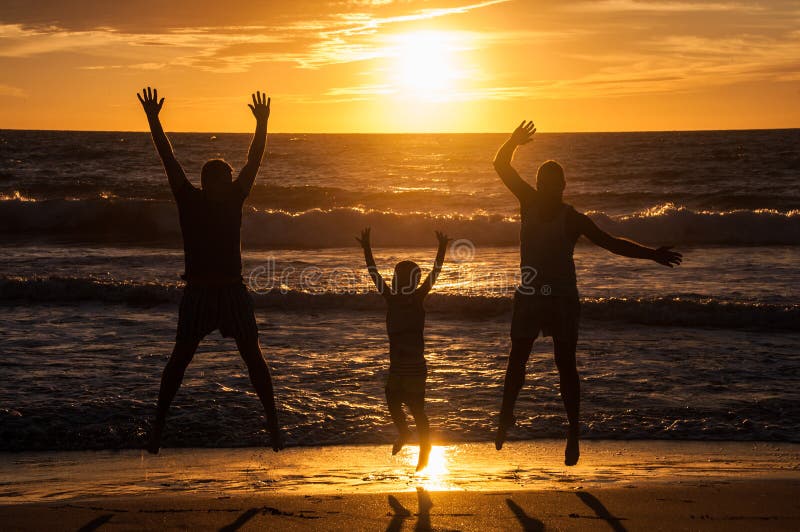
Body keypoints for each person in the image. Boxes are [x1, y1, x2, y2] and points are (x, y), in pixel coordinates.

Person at [493, 121, 682, 465]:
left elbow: (611, 243)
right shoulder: (529, 201)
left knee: (564, 365)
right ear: (539, 184)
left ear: (563, 186)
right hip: (531, 295)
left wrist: (652, 253)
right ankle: (506, 418)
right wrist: (512, 142)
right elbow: (500, 165)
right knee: (517, 360)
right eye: (543, 183)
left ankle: (573, 432)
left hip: (561, 298)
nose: (548, 188)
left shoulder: (572, 218)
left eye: (554, 184)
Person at [137, 86, 283, 453]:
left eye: (220, 179)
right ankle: (157, 426)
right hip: (199, 292)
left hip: (233, 291)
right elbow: (168, 160)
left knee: (254, 357)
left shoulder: (234, 199)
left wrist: (262, 126)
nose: (216, 184)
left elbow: (254, 163)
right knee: (180, 359)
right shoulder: (189, 200)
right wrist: (154, 121)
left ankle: (273, 424)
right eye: (211, 179)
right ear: (204, 183)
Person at [357, 228, 449, 471]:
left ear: (412, 282)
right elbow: (373, 273)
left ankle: (425, 447)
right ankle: (404, 433)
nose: (397, 281)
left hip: (415, 367)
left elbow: (435, 273)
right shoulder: (391, 298)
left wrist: (442, 249)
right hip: (397, 366)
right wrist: (366, 248)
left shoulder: (417, 298)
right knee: (392, 400)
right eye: (397, 277)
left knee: (417, 408)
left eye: (402, 278)